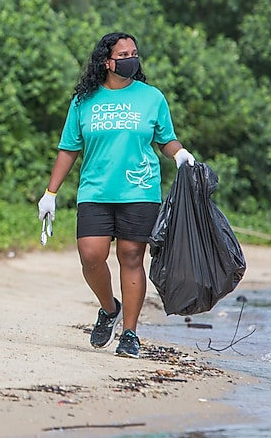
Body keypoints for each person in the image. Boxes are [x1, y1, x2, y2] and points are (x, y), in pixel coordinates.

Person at [37, 32, 195, 358]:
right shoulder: (84, 101)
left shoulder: (151, 98)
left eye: (134, 52)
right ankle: (109, 309)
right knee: (91, 256)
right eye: (123, 54)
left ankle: (130, 333)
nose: (130, 59)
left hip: (140, 189)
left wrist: (179, 154)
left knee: (131, 255)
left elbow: (166, 139)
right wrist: (50, 193)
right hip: (95, 190)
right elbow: (69, 149)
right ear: (107, 61)